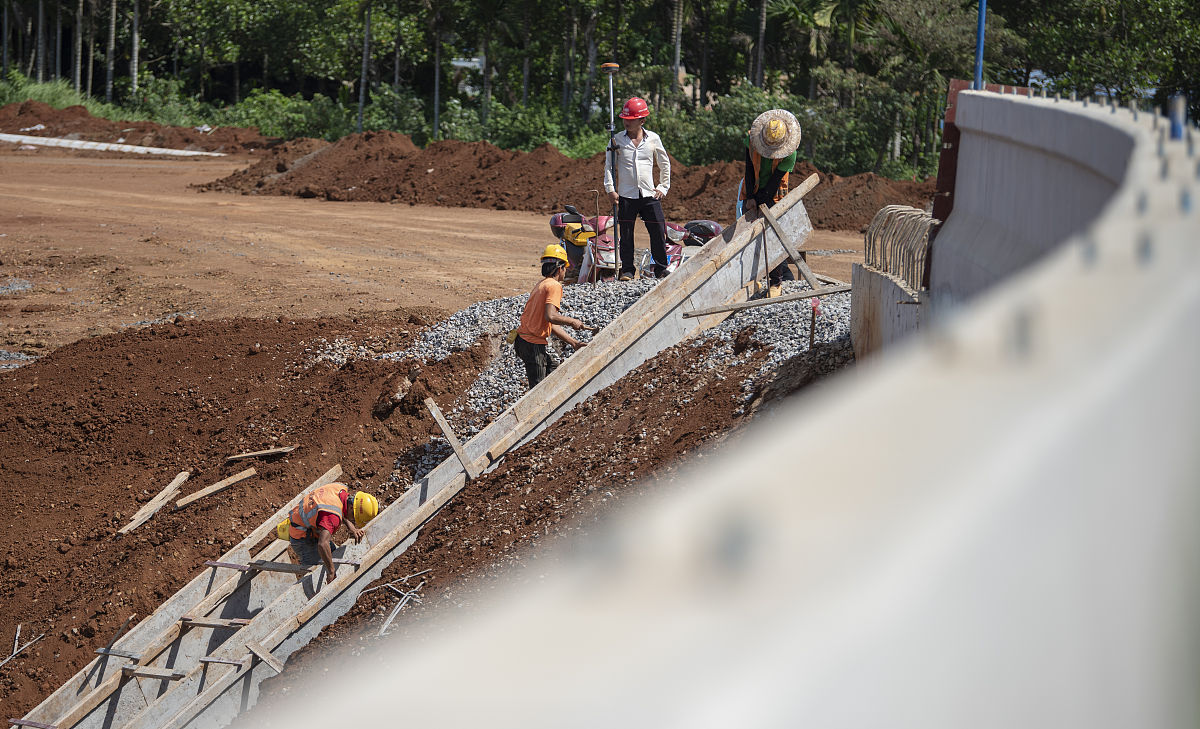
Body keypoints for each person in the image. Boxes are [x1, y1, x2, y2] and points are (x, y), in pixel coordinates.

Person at [603, 96, 672, 281]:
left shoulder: (653, 139)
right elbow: (609, 166)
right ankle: (627, 270)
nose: (627, 122)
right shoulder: (616, 140)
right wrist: (610, 189)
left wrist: (663, 187)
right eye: (625, 119)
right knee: (626, 233)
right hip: (626, 194)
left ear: (642, 120)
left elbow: (664, 164)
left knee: (658, 229)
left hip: (649, 193)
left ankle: (660, 267)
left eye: (631, 119)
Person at [513, 244, 596, 388]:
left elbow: (550, 323)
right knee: (538, 389)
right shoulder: (554, 286)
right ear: (559, 268)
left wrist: (573, 342)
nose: (566, 271)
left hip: (521, 341)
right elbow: (551, 316)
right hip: (533, 344)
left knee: (553, 372)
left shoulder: (542, 284)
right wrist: (572, 321)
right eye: (565, 268)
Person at [740, 108, 803, 297]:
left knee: (772, 237)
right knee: (749, 236)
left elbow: (775, 182)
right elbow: (749, 169)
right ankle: (753, 278)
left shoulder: (790, 153)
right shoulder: (751, 141)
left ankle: (776, 282)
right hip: (753, 190)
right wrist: (750, 197)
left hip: (774, 195)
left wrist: (760, 202)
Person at [281, 482, 379, 584]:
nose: (353, 520)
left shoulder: (339, 489)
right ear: (351, 507)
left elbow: (339, 508)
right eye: (354, 518)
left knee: (331, 554)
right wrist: (331, 571)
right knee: (314, 573)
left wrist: (352, 528)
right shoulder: (333, 517)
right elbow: (322, 544)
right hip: (302, 538)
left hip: (311, 528)